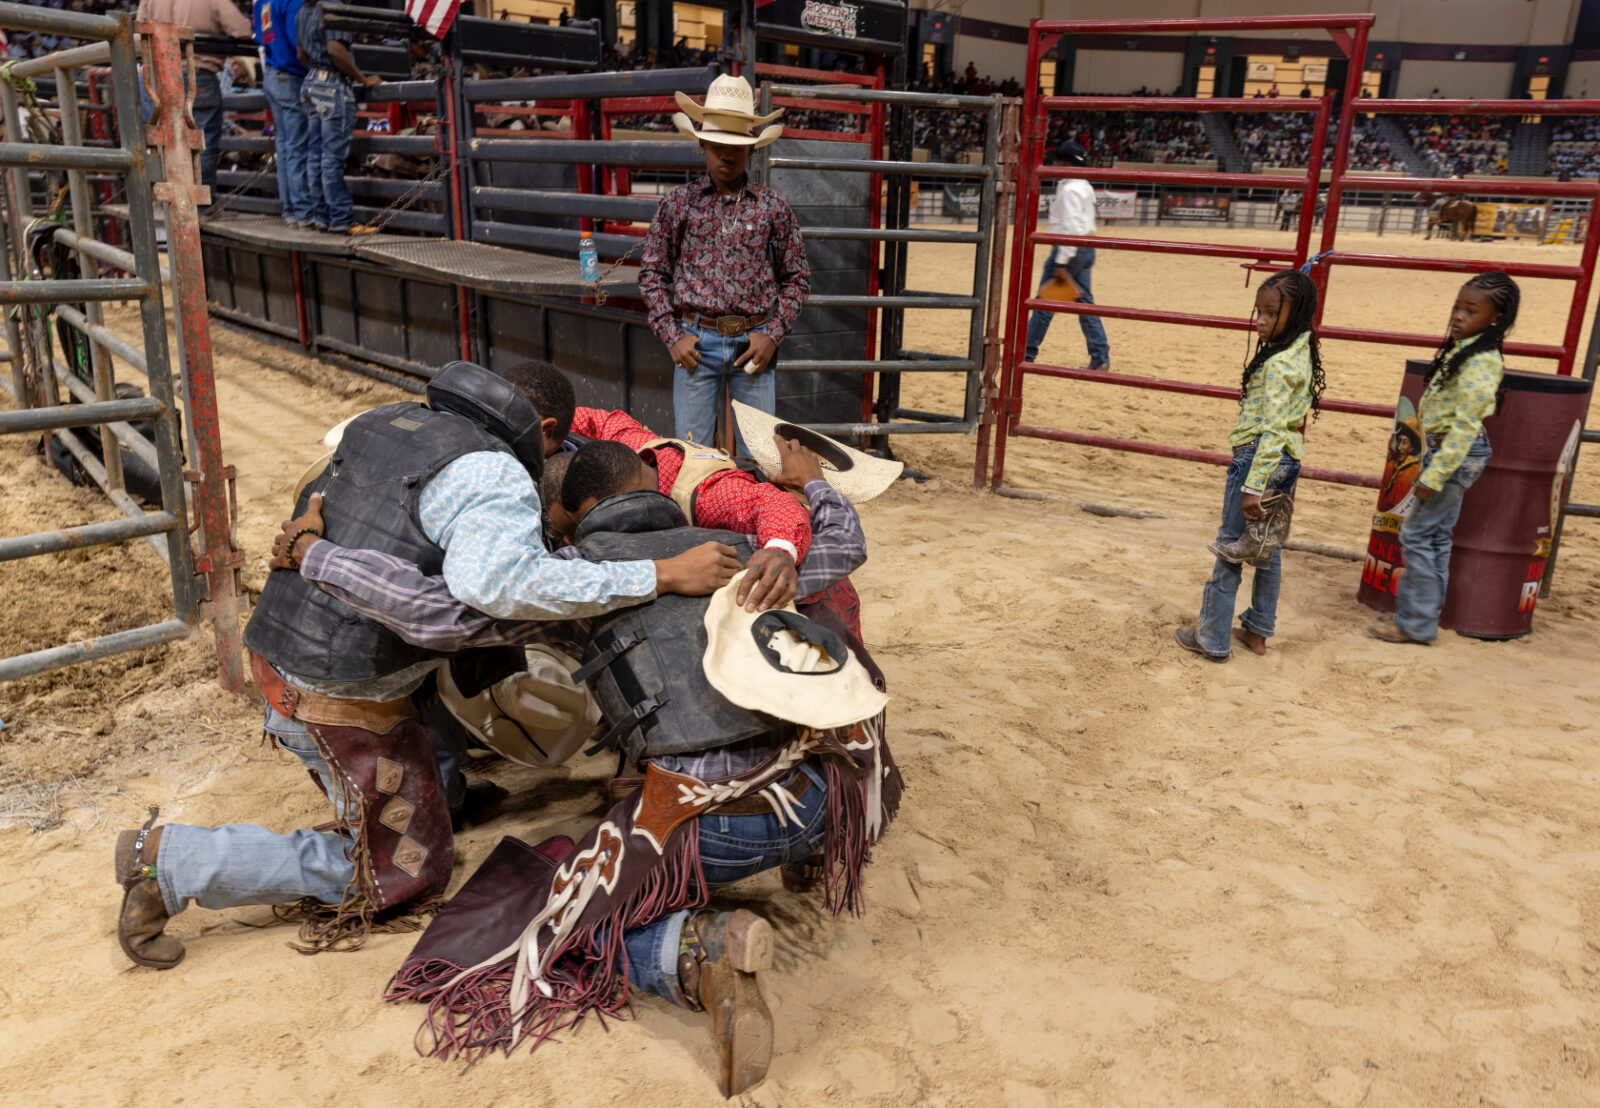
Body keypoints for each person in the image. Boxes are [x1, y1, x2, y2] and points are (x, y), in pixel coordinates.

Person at [112, 361, 742, 970]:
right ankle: (171, 862)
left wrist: (307, 547)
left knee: (442, 705)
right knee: (405, 867)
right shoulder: (494, 479)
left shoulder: (382, 426)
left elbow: (322, 506)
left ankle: (446, 790)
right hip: (334, 682)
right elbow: (452, 610)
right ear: (538, 436)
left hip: (294, 644)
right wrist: (654, 574)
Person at [382, 464, 900, 1098]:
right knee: (802, 731)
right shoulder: (745, 551)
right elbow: (845, 541)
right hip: (838, 801)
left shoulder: (571, 577)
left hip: (712, 833)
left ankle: (693, 952)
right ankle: (813, 856)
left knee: (539, 918)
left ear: (585, 507)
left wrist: (318, 555)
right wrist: (812, 481)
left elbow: (439, 618)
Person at [640, 74, 811, 454]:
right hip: (695, 344)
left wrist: (773, 334)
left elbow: (797, 278)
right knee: (692, 455)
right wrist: (672, 336)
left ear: (751, 149)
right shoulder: (678, 204)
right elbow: (652, 272)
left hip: (754, 342)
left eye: (736, 146)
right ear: (702, 143)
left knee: (759, 456)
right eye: (717, 145)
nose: (726, 155)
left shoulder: (772, 208)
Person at [1176, 269, 1326, 661]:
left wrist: (1252, 486)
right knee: (1266, 547)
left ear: (1294, 314)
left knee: (1230, 546)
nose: (1260, 319)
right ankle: (1258, 630)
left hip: (1259, 459)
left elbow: (1272, 430)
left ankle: (1211, 638)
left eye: (1271, 312)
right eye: (1258, 311)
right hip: (1288, 460)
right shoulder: (1302, 349)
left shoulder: (1277, 365)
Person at [1372, 273, 1518, 645]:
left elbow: (1466, 427)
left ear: (1496, 318)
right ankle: (1422, 617)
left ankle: (1416, 623)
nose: (1458, 316)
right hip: (1448, 451)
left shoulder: (1482, 361)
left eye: (1471, 310)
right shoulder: (1466, 349)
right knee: (1435, 536)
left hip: (1453, 453)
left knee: (1417, 534)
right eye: (1457, 307)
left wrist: (1434, 476)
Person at [136, 0, 252, 197]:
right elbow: (241, 30)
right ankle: (198, 207)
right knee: (201, 146)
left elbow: (140, 32)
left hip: (157, 77)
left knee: (167, 142)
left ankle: (172, 202)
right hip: (195, 75)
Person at [1024, 140, 1111, 371]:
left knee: (1044, 305)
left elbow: (1070, 227)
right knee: (1085, 305)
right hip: (1085, 248)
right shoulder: (1082, 186)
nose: (1054, 164)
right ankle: (1100, 355)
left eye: (1058, 161)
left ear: (1066, 163)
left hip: (1069, 251)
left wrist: (1061, 262)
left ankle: (1025, 354)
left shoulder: (1070, 189)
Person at [296, 0, 381, 234]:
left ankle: (321, 216)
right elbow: (335, 50)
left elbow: (301, 53)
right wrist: (362, 79)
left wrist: (316, 71)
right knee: (332, 158)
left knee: (315, 155)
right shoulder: (333, 7)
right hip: (332, 84)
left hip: (312, 81)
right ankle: (342, 218)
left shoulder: (304, 10)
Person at [252, 0, 315, 228]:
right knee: (297, 146)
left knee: (286, 145)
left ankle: (291, 209)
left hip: (272, 72)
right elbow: (298, 40)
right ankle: (303, 211)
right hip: (291, 75)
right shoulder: (293, 1)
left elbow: (260, 38)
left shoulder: (262, 3)